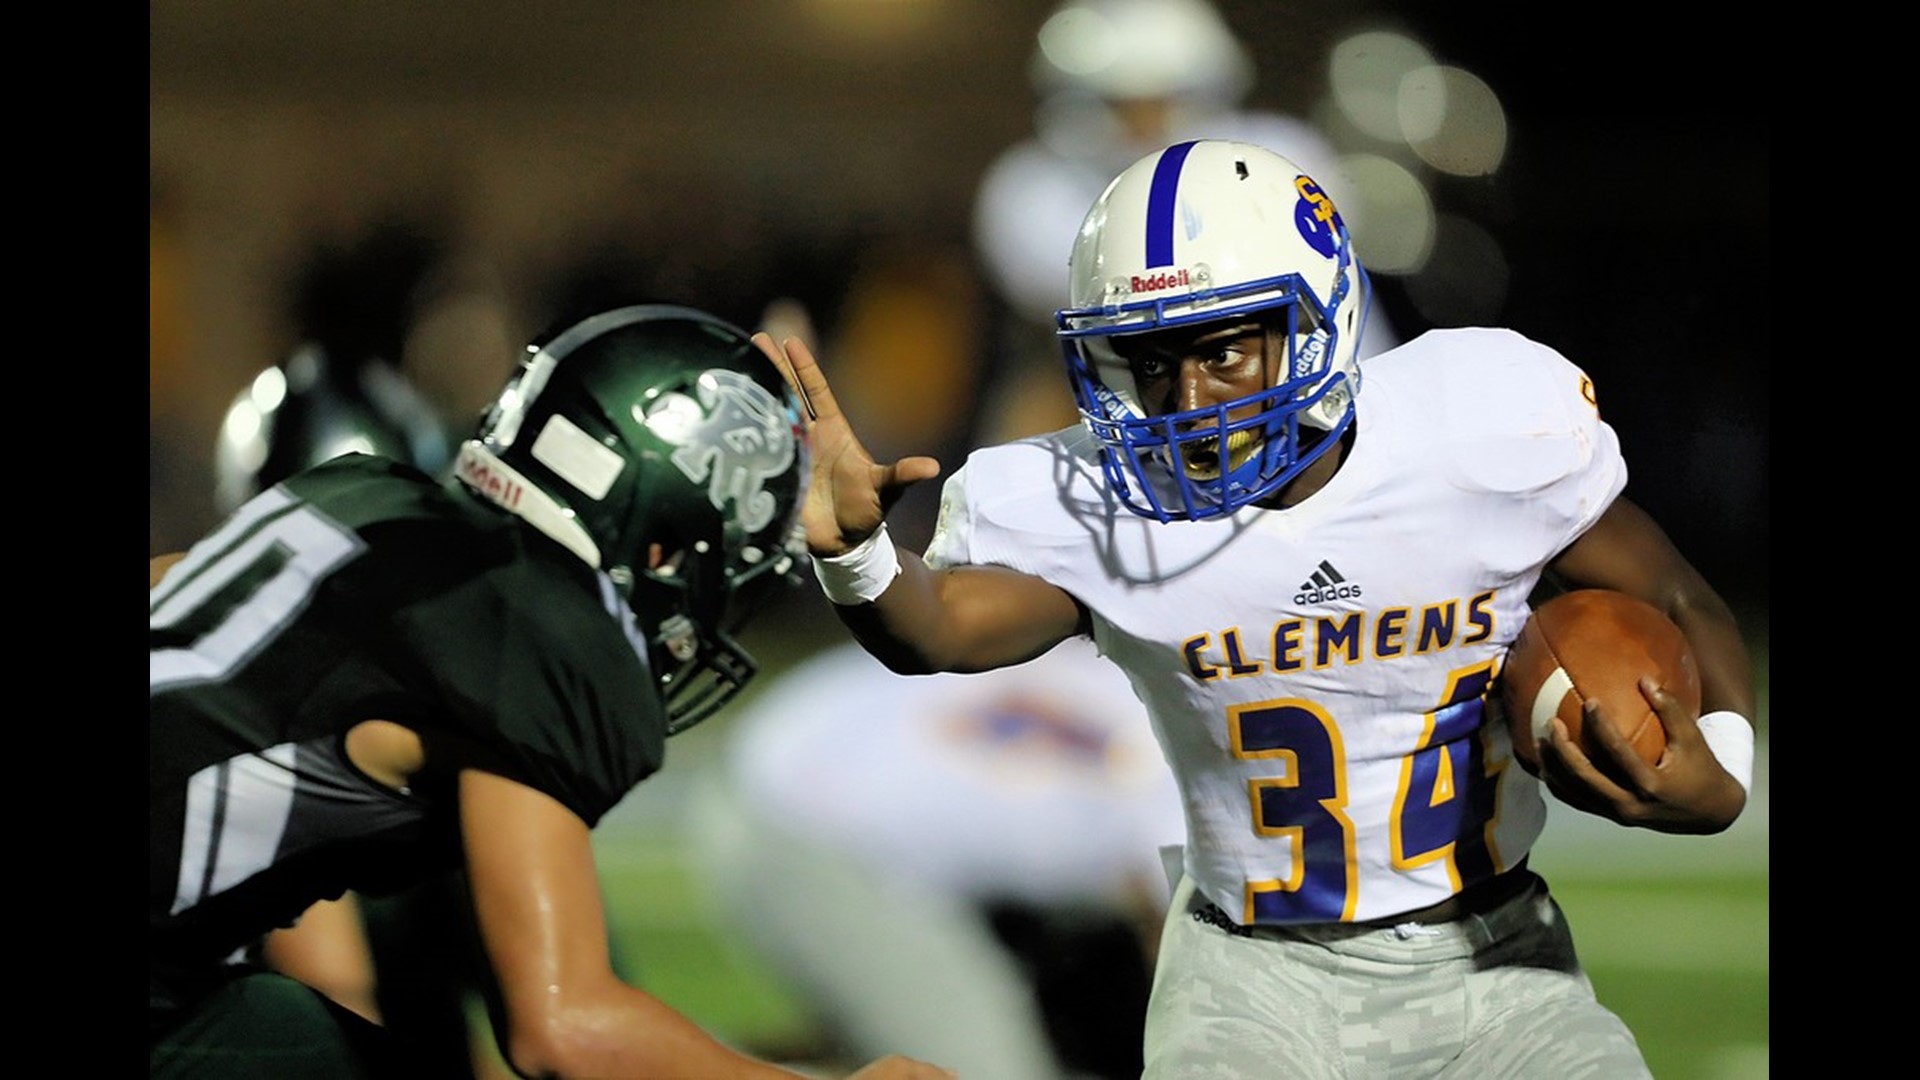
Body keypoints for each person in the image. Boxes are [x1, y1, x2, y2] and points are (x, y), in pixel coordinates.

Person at [761, 139, 1756, 1078]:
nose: (1189, 400)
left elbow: (1669, 593)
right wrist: (855, 552)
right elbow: (933, 628)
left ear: (1316, 319)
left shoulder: (1471, 432)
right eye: (1151, 363)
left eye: (1224, 351)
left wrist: (1728, 765)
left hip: (1499, 957)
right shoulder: (1099, 502)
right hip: (1252, 981)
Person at [151, 302, 954, 1080]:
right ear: (659, 516)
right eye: (720, 548)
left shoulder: (367, 496)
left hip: (184, 986)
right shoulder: (546, 631)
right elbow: (562, 1031)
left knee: (285, 1031)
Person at [686, 636, 1186, 1080]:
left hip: (797, 751)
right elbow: (1177, 950)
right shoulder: (1191, 752)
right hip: (816, 827)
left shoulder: (1147, 674)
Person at [971, 0, 1399, 446]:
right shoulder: (1030, 189)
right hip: (1158, 400)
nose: (1143, 121)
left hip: (1321, 373)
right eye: (1120, 102)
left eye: (1163, 98)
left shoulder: (1285, 154)